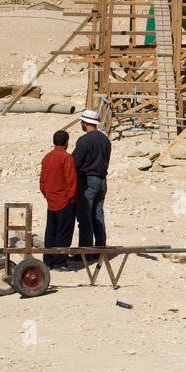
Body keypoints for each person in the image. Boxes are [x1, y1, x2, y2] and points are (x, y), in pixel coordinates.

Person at [71, 108, 111, 260]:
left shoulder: (84, 140)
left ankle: (85, 252)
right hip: (102, 180)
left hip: (88, 180)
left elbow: (74, 162)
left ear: (85, 122)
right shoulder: (105, 139)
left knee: (85, 217)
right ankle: (100, 249)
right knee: (98, 215)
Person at [39, 130, 77, 270]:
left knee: (51, 231)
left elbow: (42, 181)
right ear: (67, 142)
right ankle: (60, 262)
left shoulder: (47, 157)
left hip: (51, 200)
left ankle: (48, 261)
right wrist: (71, 199)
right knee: (64, 232)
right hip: (64, 201)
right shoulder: (66, 158)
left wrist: (47, 195)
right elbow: (70, 181)